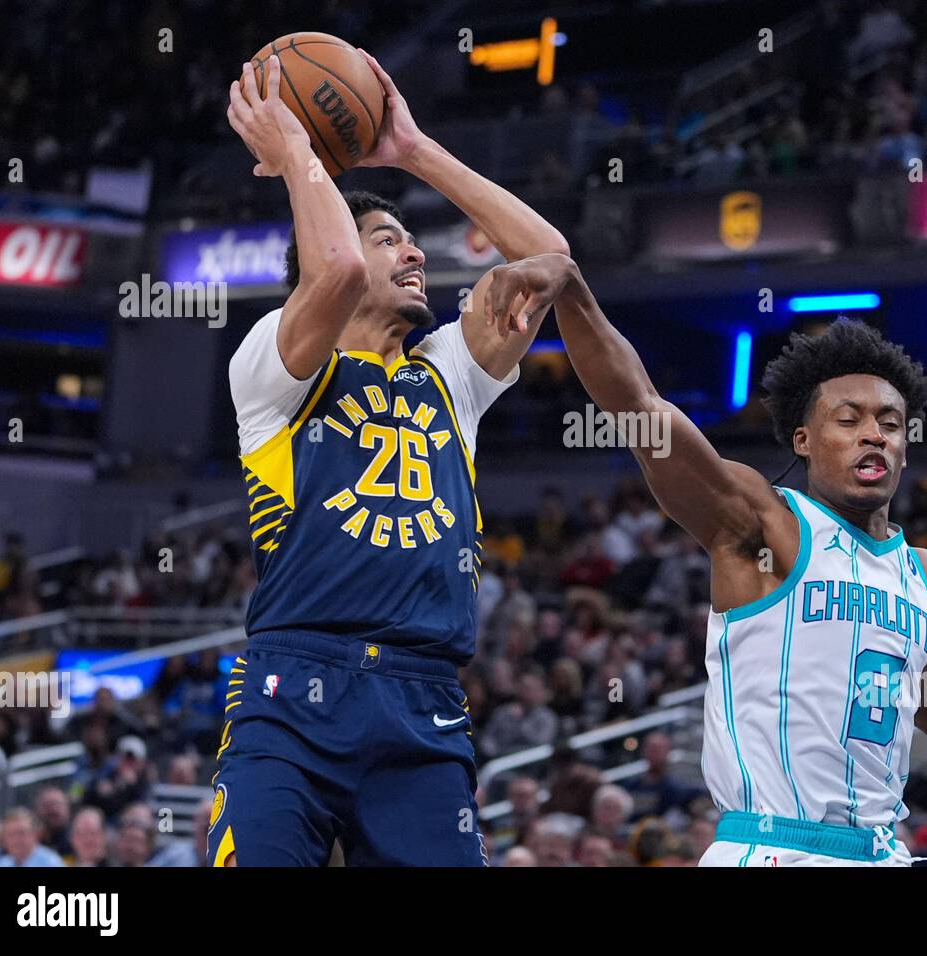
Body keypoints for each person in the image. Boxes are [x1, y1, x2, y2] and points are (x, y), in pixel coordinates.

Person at [474, 252, 927, 867]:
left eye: (890, 424)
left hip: (884, 850)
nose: (874, 435)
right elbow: (638, 405)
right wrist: (574, 292)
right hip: (775, 846)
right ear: (805, 439)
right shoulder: (762, 522)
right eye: (849, 421)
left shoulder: (923, 573)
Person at [210, 49, 567, 867]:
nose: (413, 255)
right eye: (389, 239)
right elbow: (330, 269)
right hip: (292, 688)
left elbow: (548, 260)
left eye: (413, 242)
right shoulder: (272, 365)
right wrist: (298, 148)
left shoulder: (450, 375)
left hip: (425, 700)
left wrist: (410, 149)